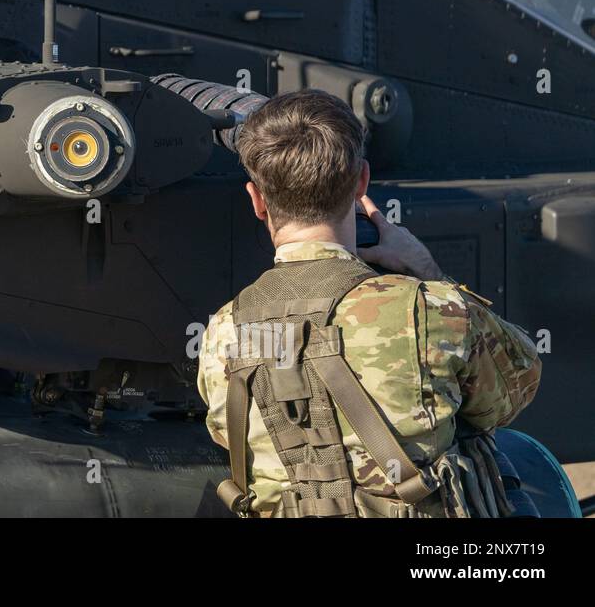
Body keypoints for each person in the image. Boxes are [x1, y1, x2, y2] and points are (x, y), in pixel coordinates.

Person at [197, 89, 542, 517]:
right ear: (361, 181)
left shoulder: (222, 335)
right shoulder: (431, 311)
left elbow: (226, 434)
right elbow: (518, 385)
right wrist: (429, 271)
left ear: (257, 200)